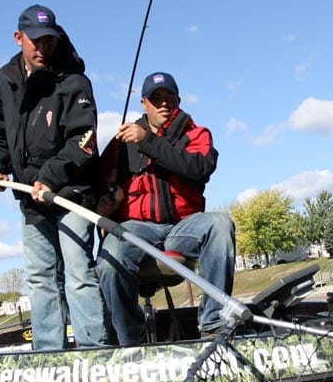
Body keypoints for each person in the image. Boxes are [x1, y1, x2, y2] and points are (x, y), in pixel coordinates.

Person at [0, 4, 109, 350]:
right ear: (18, 38)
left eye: (49, 41)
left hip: (72, 194)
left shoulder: (74, 81)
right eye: (35, 41)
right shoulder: (6, 79)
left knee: (78, 274)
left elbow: (84, 141)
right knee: (40, 279)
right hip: (30, 197)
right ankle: (48, 355)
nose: (42, 48)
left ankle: (94, 352)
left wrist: (51, 177)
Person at [97, 71, 235, 345]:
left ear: (178, 100)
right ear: (143, 103)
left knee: (220, 224)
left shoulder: (196, 134)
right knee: (109, 258)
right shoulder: (121, 142)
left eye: (169, 98)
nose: (163, 104)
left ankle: (213, 323)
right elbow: (100, 185)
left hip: (184, 226)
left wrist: (147, 140)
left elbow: (198, 169)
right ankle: (129, 341)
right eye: (155, 98)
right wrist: (106, 200)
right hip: (137, 228)